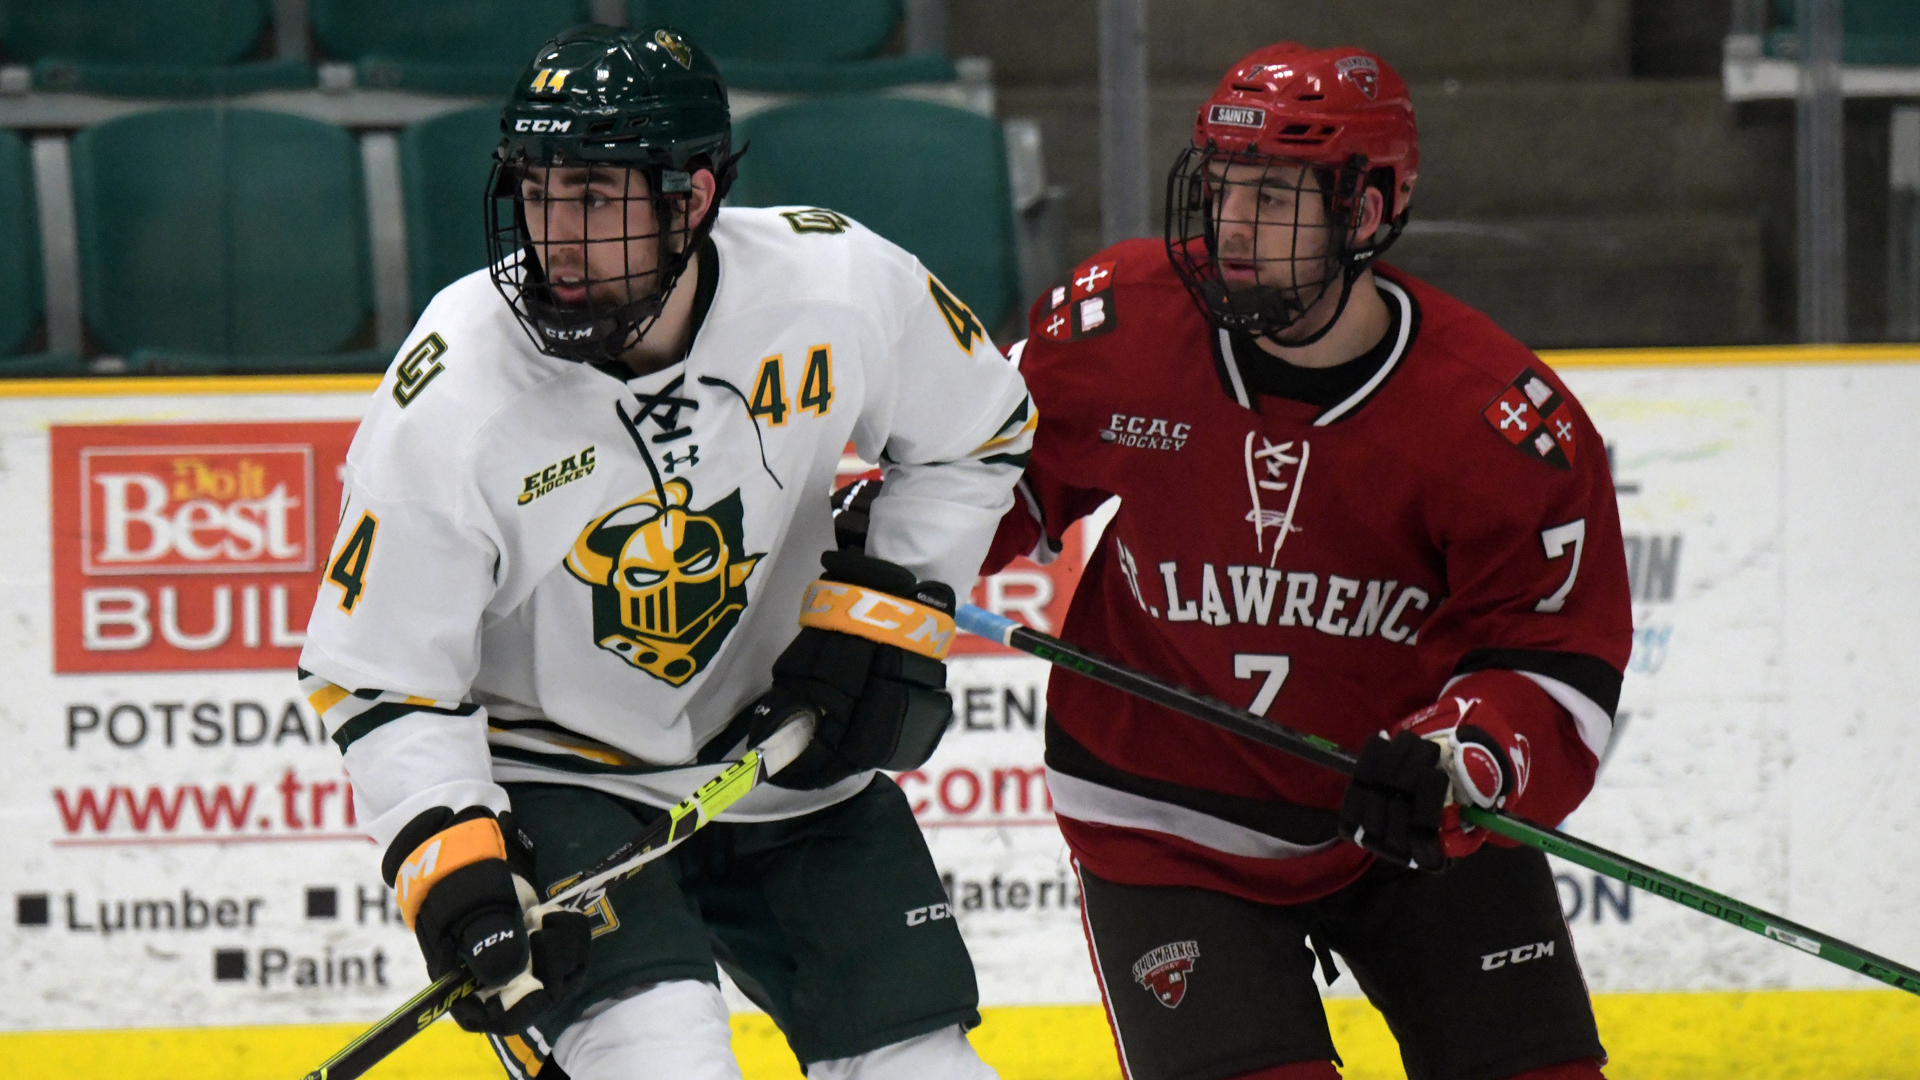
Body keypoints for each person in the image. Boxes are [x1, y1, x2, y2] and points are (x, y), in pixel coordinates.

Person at [299, 23, 1031, 1080]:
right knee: (664, 1060)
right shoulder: (457, 384)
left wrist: (879, 619)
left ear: (690, 200)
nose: (557, 233)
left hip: (781, 750)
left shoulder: (836, 285)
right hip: (555, 778)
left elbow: (981, 432)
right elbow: (379, 674)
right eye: (540, 194)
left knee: (924, 1069)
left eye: (594, 198)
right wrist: (452, 857)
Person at [981, 43, 1632, 1080]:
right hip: (1167, 820)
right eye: (1224, 184)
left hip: (1404, 814)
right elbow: (984, 475)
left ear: (1366, 214)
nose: (1232, 224)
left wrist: (1464, 758)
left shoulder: (1499, 423)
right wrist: (869, 549)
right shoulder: (1122, 324)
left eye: (1275, 194)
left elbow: (1556, 655)